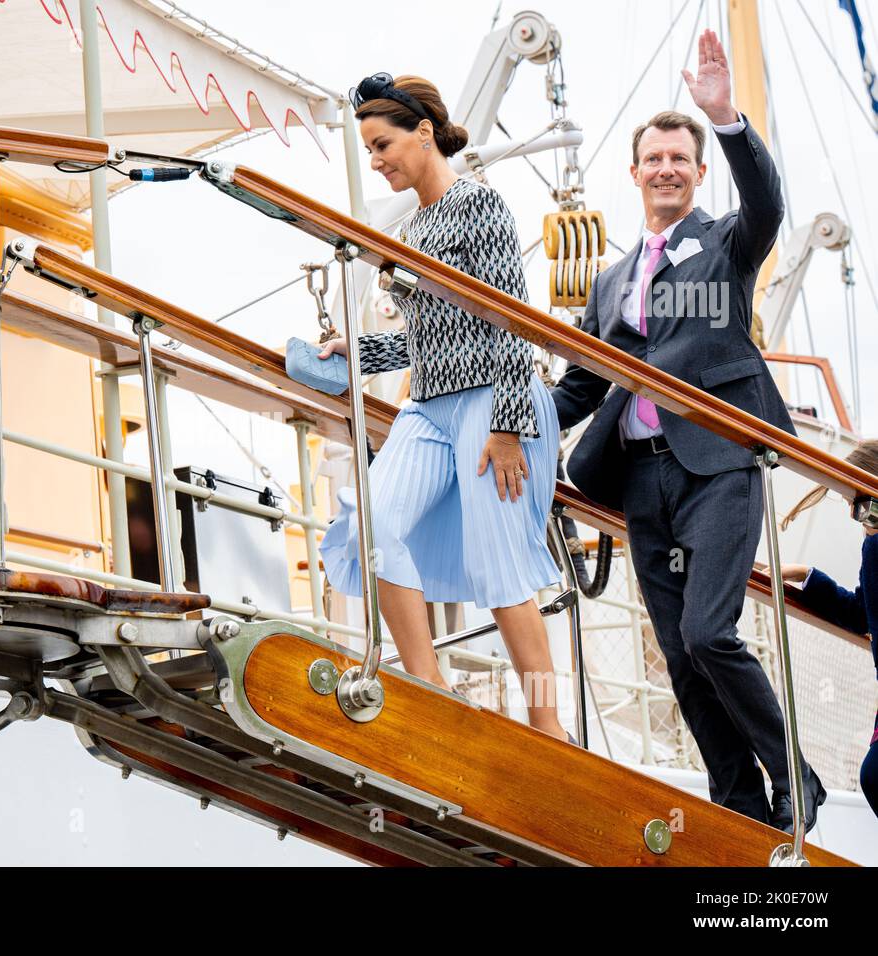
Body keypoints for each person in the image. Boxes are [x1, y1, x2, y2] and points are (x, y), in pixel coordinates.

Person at [548, 30, 825, 831]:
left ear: (698, 172)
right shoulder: (609, 280)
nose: (666, 168)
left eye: (681, 157)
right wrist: (513, 422)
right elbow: (581, 384)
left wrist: (726, 116)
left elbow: (768, 204)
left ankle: (792, 774)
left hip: (717, 467)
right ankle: (738, 804)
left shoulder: (726, 248)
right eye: (654, 158)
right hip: (641, 479)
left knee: (711, 631)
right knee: (680, 656)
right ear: (634, 173)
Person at [317, 73, 569, 742]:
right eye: (369, 150)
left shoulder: (478, 206)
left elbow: (514, 318)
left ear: (423, 133)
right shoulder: (417, 224)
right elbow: (427, 337)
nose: (376, 161)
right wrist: (358, 353)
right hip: (429, 407)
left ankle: (548, 725)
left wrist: (510, 426)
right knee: (372, 524)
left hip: (496, 401)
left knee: (500, 562)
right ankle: (427, 685)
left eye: (382, 145)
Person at [780, 440, 878, 820]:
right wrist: (807, 576)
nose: (856, 515)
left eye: (858, 503)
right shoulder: (872, 549)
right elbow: (862, 614)